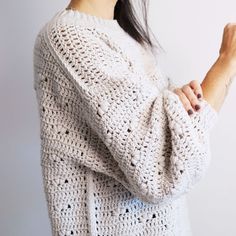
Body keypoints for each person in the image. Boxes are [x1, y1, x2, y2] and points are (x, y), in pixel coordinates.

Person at [33, 0, 235, 235]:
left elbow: (177, 138)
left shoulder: (122, 36)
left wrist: (179, 106)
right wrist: (226, 62)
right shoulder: (67, 37)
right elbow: (160, 172)